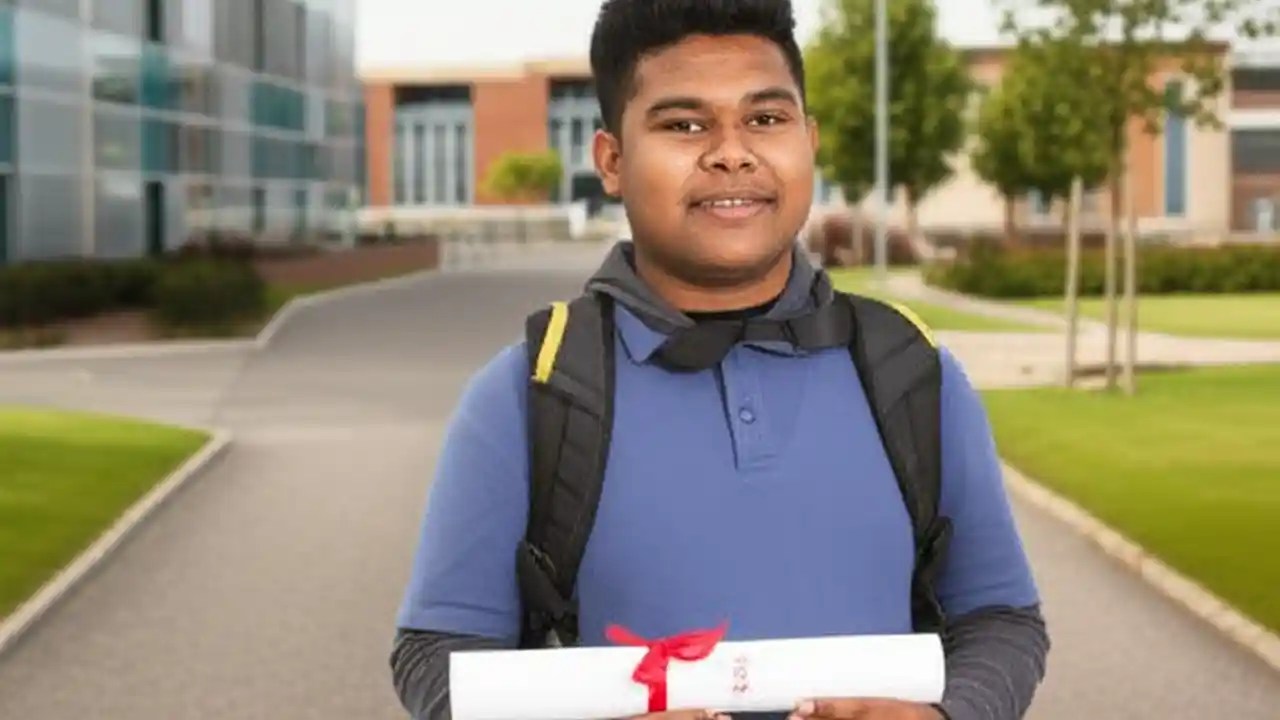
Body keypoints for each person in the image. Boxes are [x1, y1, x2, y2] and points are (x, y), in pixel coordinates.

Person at [389, 1, 1050, 719]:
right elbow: (436, 654)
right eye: (684, 124)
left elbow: (1002, 620)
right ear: (612, 161)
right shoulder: (529, 391)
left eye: (766, 119)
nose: (732, 152)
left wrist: (947, 717)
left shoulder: (913, 372)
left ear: (809, 140)